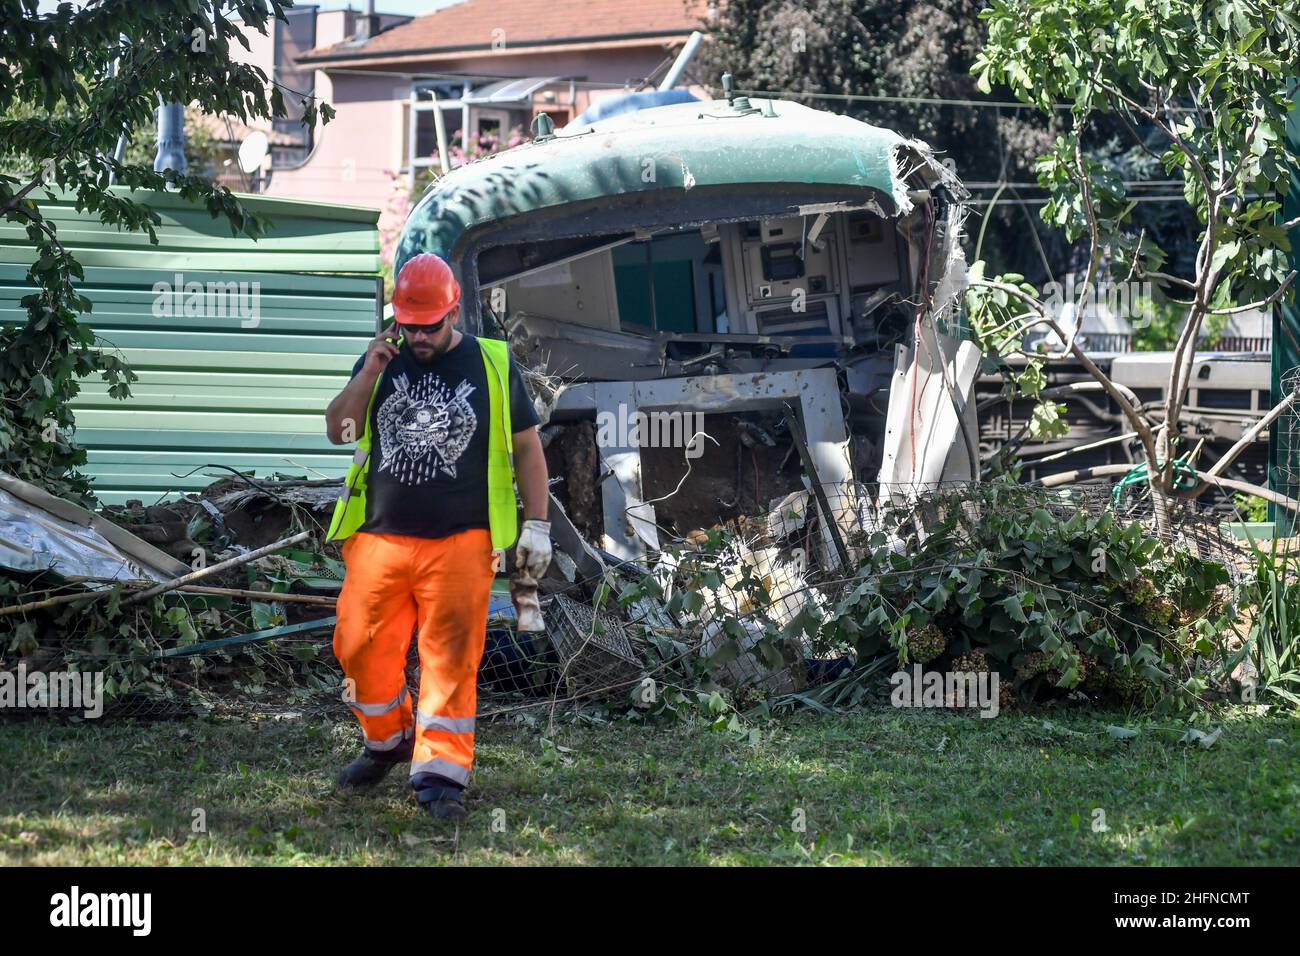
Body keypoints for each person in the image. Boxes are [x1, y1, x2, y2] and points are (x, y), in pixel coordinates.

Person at [323, 252, 551, 820]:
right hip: (379, 537)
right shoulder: (381, 359)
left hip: (462, 540)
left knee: (450, 661)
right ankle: (389, 740)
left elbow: (527, 448)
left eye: (430, 325)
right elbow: (338, 430)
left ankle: (441, 778)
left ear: (453, 312)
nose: (419, 336)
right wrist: (371, 370)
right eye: (408, 324)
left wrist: (539, 523)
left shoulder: (493, 364)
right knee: (357, 646)